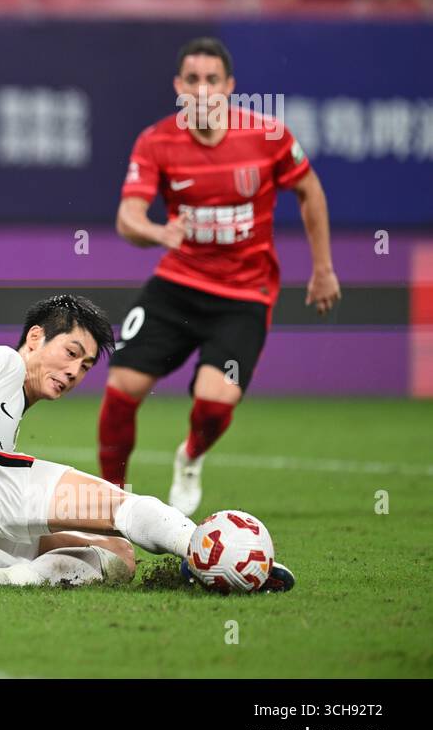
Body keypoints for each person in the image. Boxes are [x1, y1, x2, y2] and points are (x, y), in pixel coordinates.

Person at [0, 294, 294, 589]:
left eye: (87, 364)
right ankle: (207, 550)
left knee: (117, 555)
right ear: (36, 338)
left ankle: (0, 580)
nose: (76, 370)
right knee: (122, 506)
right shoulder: (5, 362)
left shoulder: (11, 406)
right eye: (71, 352)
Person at [98, 37, 340, 515]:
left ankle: (189, 457)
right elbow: (128, 217)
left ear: (230, 86)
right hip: (177, 286)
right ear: (178, 87)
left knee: (215, 402)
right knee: (122, 385)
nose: (203, 90)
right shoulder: (156, 141)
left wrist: (324, 268)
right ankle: (112, 500)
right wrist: (155, 232)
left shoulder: (268, 137)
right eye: (192, 80)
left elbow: (310, 191)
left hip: (244, 294)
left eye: (212, 80)